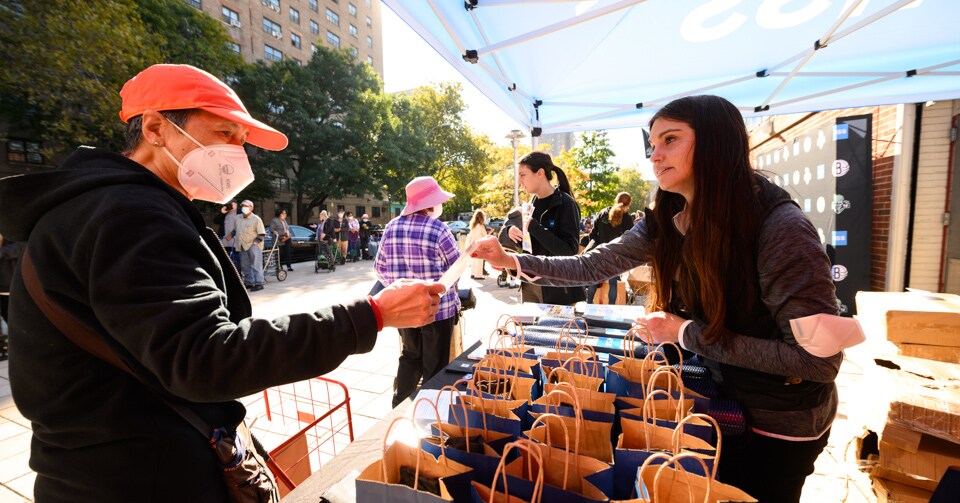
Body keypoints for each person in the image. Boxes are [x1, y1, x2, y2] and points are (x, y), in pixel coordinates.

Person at [0, 63, 444, 502]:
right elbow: (206, 357)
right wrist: (371, 315)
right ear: (155, 128)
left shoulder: (111, 207)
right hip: (139, 478)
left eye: (242, 141)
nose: (238, 154)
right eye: (224, 134)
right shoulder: (129, 214)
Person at [474, 95, 843, 503]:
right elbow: (593, 265)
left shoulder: (781, 229)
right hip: (722, 405)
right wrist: (511, 259)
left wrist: (684, 333)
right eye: (653, 144)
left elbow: (817, 361)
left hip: (779, 427)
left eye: (670, 140)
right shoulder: (669, 216)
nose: (655, 155)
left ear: (718, 143)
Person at [375, 176, 461, 408]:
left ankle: (399, 406)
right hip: (438, 309)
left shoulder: (391, 228)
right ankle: (430, 411)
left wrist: (401, 289)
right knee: (435, 364)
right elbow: (456, 269)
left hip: (403, 309)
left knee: (410, 356)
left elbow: (379, 269)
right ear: (431, 204)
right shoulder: (439, 229)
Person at [505, 151, 585, 305]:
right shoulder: (532, 203)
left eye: (523, 175)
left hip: (557, 289)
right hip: (530, 284)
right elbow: (530, 246)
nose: (519, 181)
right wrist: (513, 232)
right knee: (528, 329)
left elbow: (569, 250)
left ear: (540, 173)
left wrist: (534, 227)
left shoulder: (566, 204)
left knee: (553, 329)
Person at [584, 192, 634, 304]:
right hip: (616, 255)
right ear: (628, 205)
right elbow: (631, 240)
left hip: (599, 252)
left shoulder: (603, 213)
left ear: (615, 200)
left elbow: (592, 234)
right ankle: (611, 309)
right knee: (613, 283)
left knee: (594, 280)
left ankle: (589, 304)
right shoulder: (627, 218)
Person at [0, 233, 23, 359]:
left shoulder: (13, 227)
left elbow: (23, 246)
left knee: (12, 319)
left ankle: (19, 352)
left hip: (9, 285)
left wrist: (2, 252)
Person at [235, 200, 266, 291]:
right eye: (242, 206)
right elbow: (236, 230)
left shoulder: (256, 219)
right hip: (241, 245)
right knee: (245, 265)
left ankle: (259, 283)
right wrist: (231, 235)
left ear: (251, 208)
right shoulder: (237, 218)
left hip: (253, 245)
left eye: (246, 206)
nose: (244, 208)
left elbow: (262, 233)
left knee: (256, 265)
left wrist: (256, 242)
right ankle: (249, 283)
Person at [465, 209, 489, 280]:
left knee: (473, 260)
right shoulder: (481, 226)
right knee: (479, 261)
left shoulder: (473, 225)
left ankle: (472, 274)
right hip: (479, 245)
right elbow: (485, 235)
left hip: (472, 245)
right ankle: (478, 275)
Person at [220, 200, 241, 270]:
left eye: (233, 205)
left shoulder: (240, 214)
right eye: (230, 205)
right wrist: (222, 213)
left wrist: (231, 235)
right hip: (225, 241)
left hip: (235, 241)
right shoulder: (225, 214)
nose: (232, 207)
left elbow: (240, 226)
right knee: (226, 259)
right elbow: (216, 220)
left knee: (236, 259)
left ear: (236, 205)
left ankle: (238, 275)